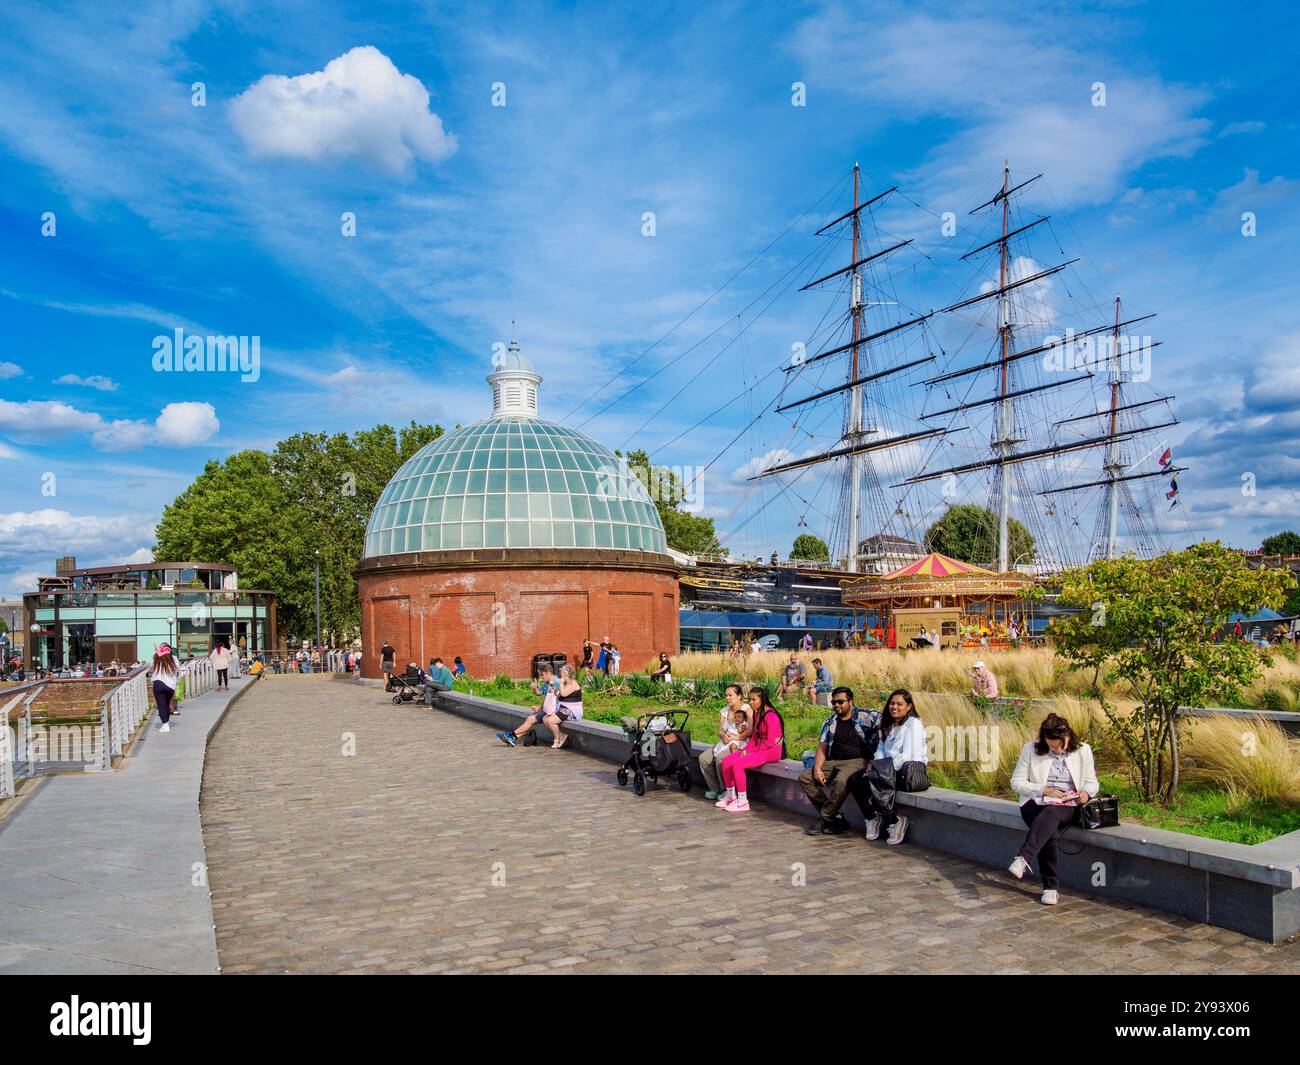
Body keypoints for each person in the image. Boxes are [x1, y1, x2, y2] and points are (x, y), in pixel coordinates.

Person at [1008, 713, 1100, 906]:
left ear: (1067, 737)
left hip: (1068, 805)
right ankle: (1050, 889)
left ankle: (1024, 858)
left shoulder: (1083, 751)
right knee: (1047, 824)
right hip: (1035, 801)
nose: (1055, 749)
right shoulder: (1031, 749)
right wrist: (1043, 789)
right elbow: (1016, 783)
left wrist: (1086, 793)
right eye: (1051, 745)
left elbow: (1092, 783)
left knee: (1050, 813)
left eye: (1059, 745)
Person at [798, 686, 879, 834]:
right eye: (834, 702)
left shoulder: (865, 716)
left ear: (850, 701)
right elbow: (822, 746)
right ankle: (835, 817)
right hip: (833, 761)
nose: (836, 705)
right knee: (805, 777)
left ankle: (825, 818)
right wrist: (817, 769)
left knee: (841, 781)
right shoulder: (830, 721)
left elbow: (887, 720)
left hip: (857, 761)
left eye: (840, 702)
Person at [852, 689, 928, 845]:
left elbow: (908, 755)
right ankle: (872, 818)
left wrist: (882, 768)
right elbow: (880, 748)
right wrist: (876, 765)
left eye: (899, 704)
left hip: (906, 772)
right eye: (892, 703)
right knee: (855, 779)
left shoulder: (913, 724)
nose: (894, 707)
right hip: (887, 769)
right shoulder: (889, 724)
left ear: (909, 706)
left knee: (870, 781)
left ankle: (894, 821)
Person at [715, 687, 785, 813]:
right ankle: (731, 797)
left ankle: (743, 802)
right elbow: (753, 738)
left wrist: (751, 751)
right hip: (759, 748)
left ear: (762, 699)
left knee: (738, 763)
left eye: (754, 699)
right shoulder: (757, 713)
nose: (751, 702)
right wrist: (745, 749)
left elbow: (770, 742)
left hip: (771, 751)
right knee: (726, 761)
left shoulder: (771, 716)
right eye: (749, 699)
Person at [497, 664, 582, 748]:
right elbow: (542, 694)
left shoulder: (557, 682)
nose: (541, 677)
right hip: (550, 709)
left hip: (554, 710)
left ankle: (510, 736)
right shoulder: (549, 682)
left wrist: (544, 708)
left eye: (542, 674)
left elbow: (559, 697)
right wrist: (535, 690)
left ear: (549, 673)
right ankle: (511, 737)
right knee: (531, 720)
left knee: (532, 720)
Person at [699, 683, 750, 800]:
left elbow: (749, 731)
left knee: (721, 758)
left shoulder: (746, 709)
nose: (727, 698)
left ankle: (726, 790)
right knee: (704, 758)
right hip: (724, 743)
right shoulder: (724, 711)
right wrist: (723, 736)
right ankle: (714, 789)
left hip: (739, 743)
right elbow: (720, 730)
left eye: (730, 695)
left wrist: (733, 738)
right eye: (726, 695)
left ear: (739, 696)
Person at [150, 643, 180, 734]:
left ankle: (165, 724)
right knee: (167, 704)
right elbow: (177, 670)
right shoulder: (174, 659)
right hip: (170, 686)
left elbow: (150, 669)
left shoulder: (155, 658)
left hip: (158, 683)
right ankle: (166, 723)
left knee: (161, 705)